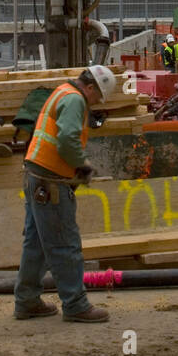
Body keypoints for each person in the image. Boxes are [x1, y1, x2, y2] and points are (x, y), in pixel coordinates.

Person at [14, 65, 116, 324]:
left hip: (36, 176)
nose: (95, 103)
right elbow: (68, 139)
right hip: (51, 182)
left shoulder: (61, 91)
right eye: (97, 97)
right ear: (90, 87)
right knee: (65, 245)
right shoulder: (73, 100)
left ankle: (27, 301)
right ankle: (75, 304)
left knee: (35, 245)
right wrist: (82, 166)